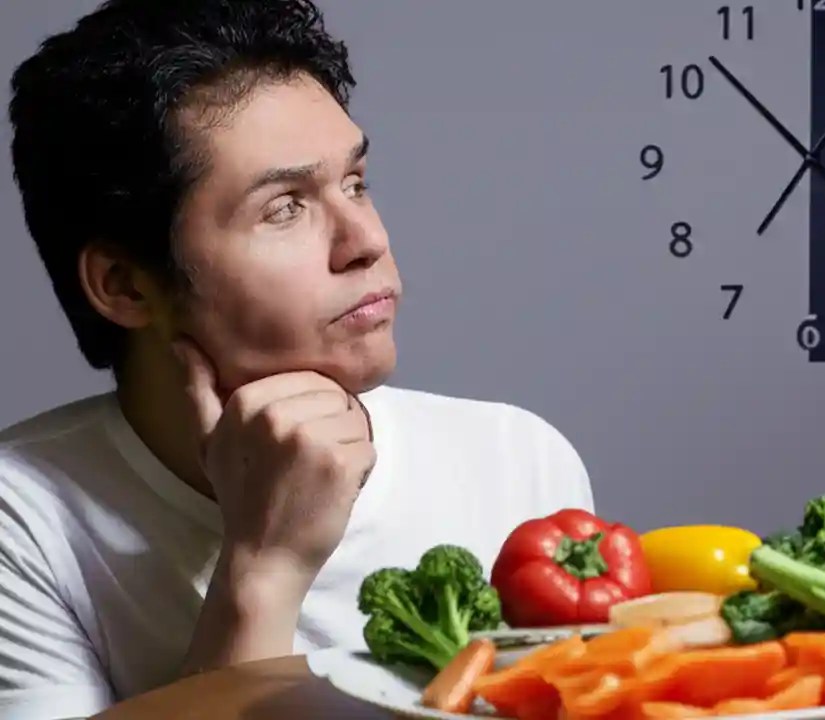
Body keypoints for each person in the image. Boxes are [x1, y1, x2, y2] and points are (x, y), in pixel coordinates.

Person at [0, 0, 595, 717]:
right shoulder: (21, 522)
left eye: (355, 183)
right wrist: (263, 570)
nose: (365, 240)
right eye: (284, 207)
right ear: (126, 285)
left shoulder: (516, 460)